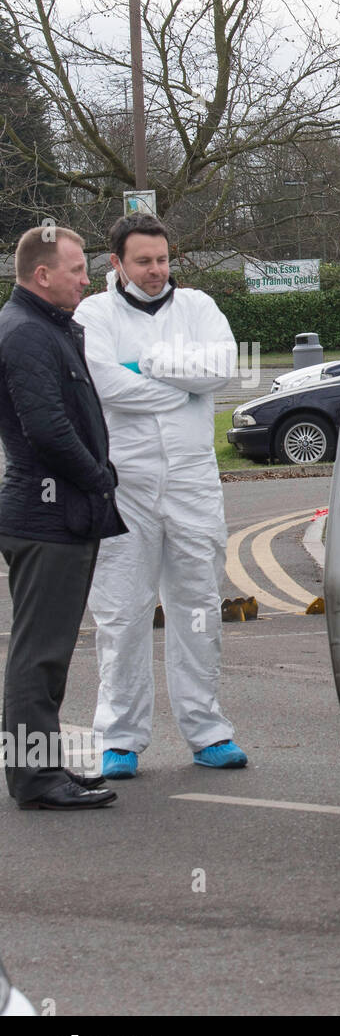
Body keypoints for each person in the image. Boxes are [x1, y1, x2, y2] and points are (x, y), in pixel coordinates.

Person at [74, 214, 245, 777]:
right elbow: (101, 381)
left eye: (163, 259)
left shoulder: (197, 307)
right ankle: (120, 737)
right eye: (143, 261)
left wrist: (144, 365)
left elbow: (223, 367)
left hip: (194, 480)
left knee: (198, 606)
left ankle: (208, 730)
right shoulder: (94, 314)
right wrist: (183, 391)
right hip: (126, 482)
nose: (156, 271)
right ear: (116, 263)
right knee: (122, 612)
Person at [0, 225, 123, 810]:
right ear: (42, 274)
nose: (85, 278)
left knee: (45, 654)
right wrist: (98, 478)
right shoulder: (26, 333)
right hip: (46, 517)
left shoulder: (43, 327)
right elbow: (46, 430)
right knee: (38, 656)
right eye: (76, 269)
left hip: (57, 515)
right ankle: (34, 780)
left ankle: (43, 771)